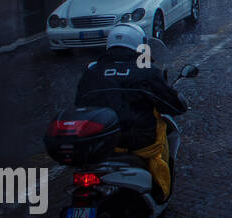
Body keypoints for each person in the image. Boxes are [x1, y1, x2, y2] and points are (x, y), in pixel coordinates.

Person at [74, 24, 186, 202]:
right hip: (136, 141)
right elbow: (172, 105)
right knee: (162, 131)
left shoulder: (92, 72)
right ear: (140, 45)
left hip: (99, 142)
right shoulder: (146, 72)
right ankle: (158, 191)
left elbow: (80, 103)